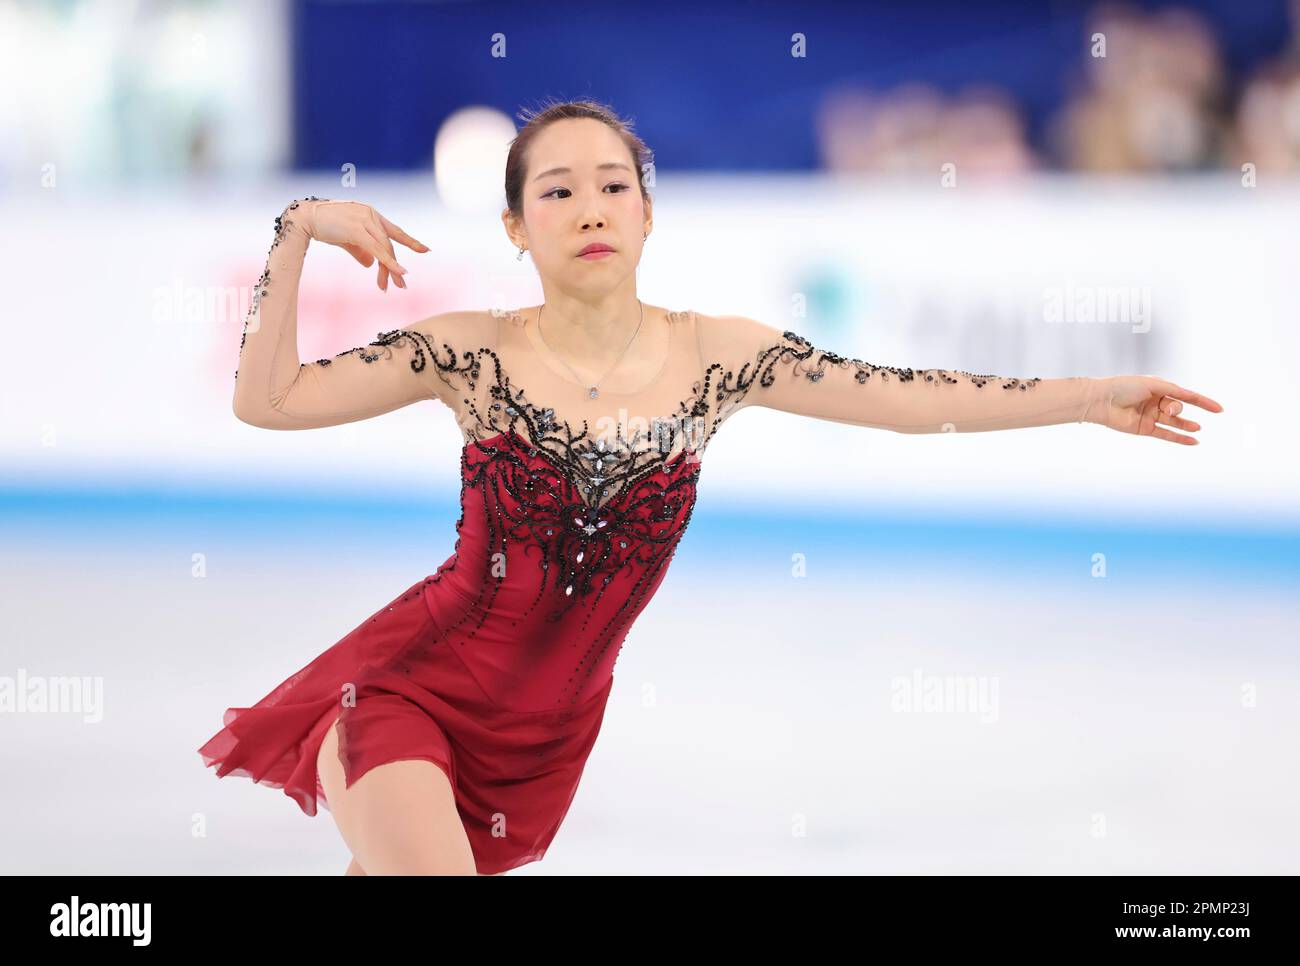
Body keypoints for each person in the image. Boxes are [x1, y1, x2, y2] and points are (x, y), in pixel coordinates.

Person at [197, 99, 1223, 876]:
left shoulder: (717, 358)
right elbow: (271, 400)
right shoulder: (471, 356)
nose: (588, 207)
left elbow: (909, 398)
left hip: (546, 739)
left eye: (612, 184)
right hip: (408, 690)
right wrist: (295, 230)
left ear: (646, 214)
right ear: (516, 226)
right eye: (555, 190)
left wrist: (1090, 396)